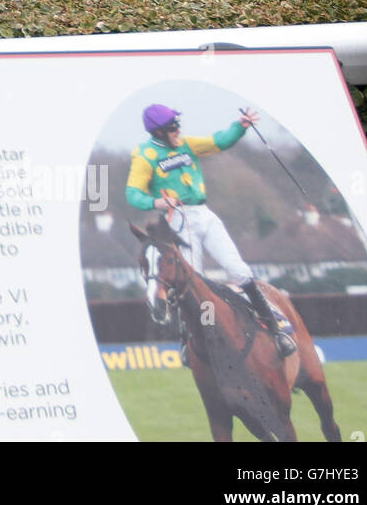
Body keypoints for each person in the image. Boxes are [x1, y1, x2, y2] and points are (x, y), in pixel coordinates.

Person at [127, 103, 296, 359]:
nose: (178, 130)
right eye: (173, 127)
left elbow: (218, 142)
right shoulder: (145, 156)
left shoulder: (186, 144)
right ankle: (186, 341)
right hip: (178, 221)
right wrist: (156, 202)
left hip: (204, 215)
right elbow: (132, 194)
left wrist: (240, 127)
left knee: (238, 270)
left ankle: (275, 328)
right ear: (160, 132)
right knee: (191, 282)